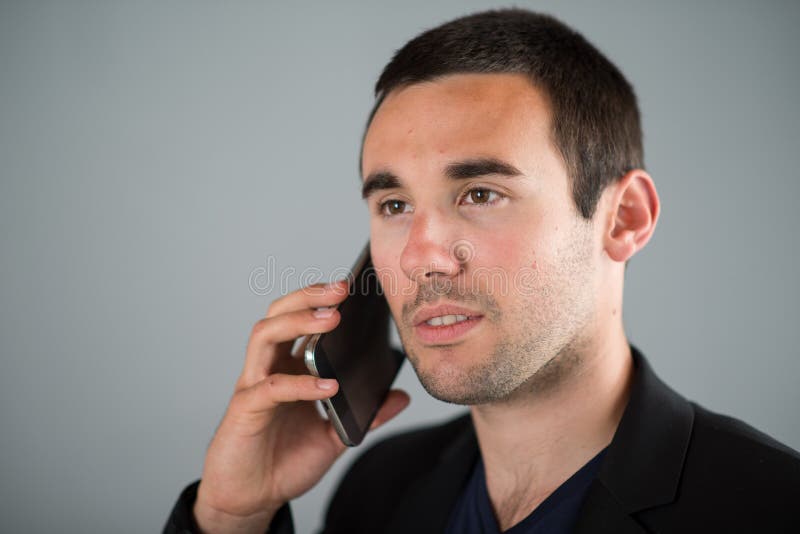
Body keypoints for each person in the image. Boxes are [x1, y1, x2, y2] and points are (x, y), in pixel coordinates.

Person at [164, 8, 800, 533]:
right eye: (394, 205)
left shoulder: (771, 508)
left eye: (480, 194)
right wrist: (232, 519)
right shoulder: (378, 493)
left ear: (624, 217)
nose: (419, 258)